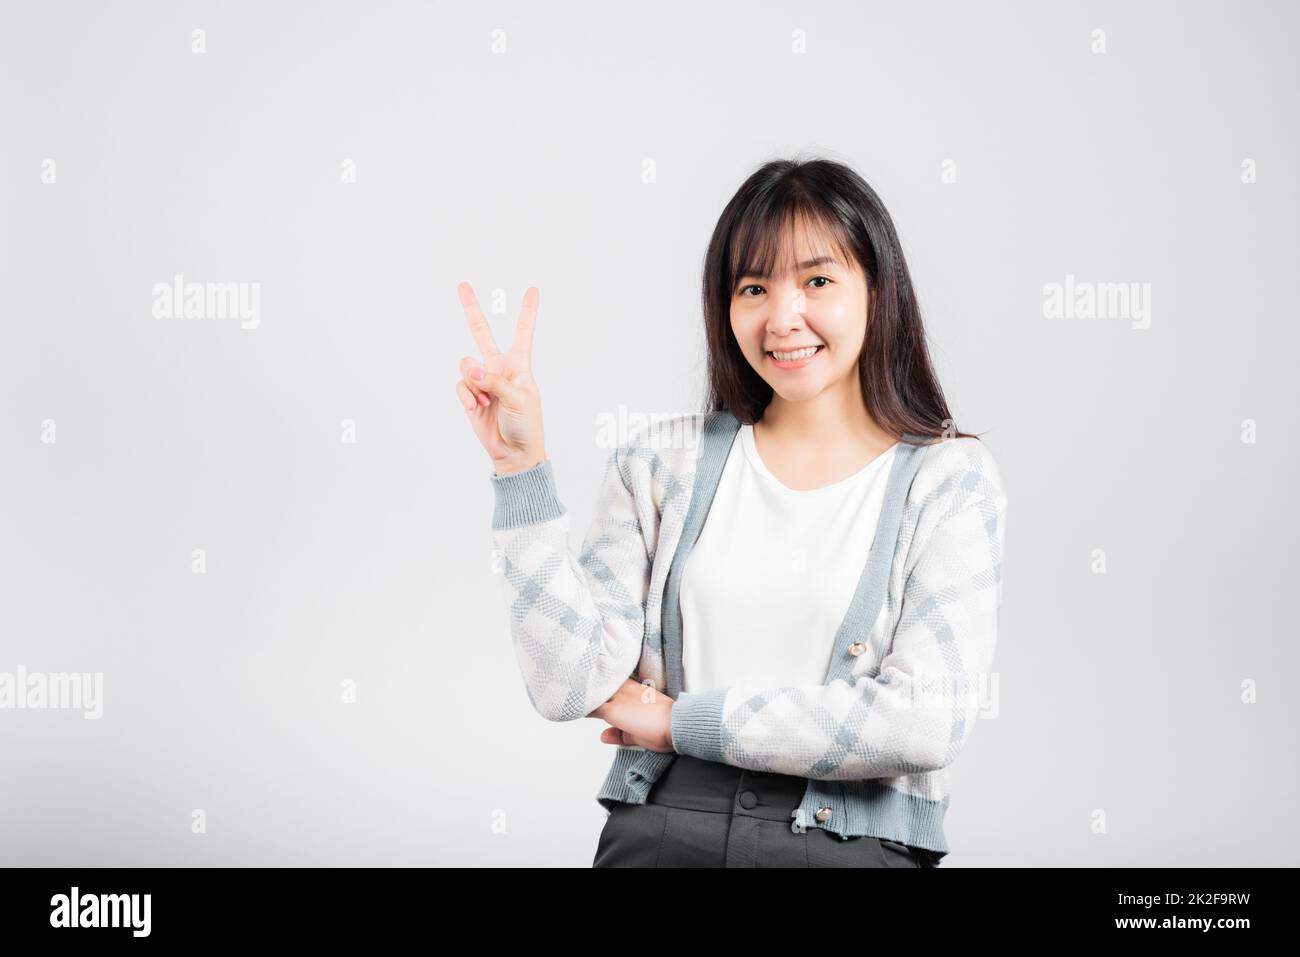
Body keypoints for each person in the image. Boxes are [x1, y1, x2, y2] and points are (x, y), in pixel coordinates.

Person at [455, 156, 1008, 867]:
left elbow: (923, 722)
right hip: (658, 833)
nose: (783, 317)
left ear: (878, 289)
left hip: (848, 845)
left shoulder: (950, 480)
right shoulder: (659, 465)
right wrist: (518, 468)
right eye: (753, 286)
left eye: (817, 280)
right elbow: (570, 683)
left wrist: (681, 721)